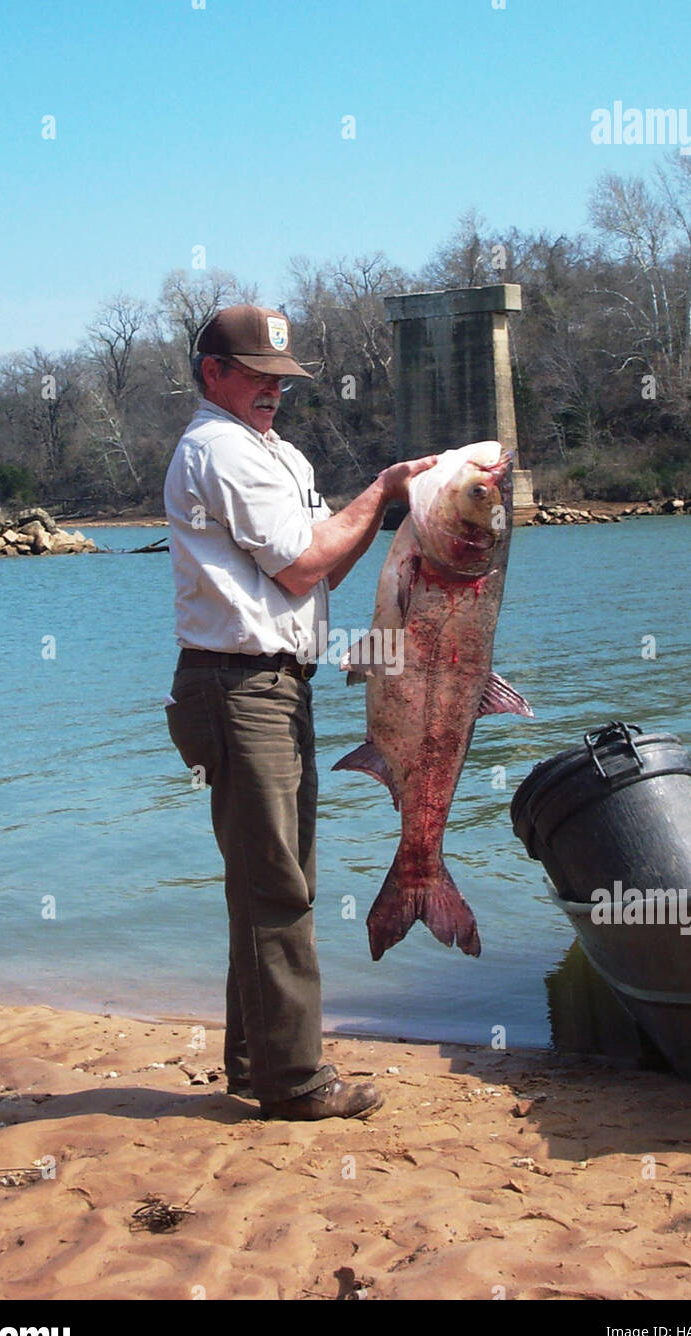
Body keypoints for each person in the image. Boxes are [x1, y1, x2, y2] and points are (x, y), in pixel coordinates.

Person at [163, 304, 436, 1121]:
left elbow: (319, 575)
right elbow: (300, 566)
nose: (274, 390)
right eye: (257, 374)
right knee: (277, 886)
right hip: (237, 689)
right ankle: (294, 1083)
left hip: (277, 684)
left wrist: (387, 518)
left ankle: (257, 1063)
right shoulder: (216, 448)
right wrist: (385, 490)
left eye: (282, 378)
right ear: (213, 371)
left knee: (275, 881)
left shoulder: (273, 452)